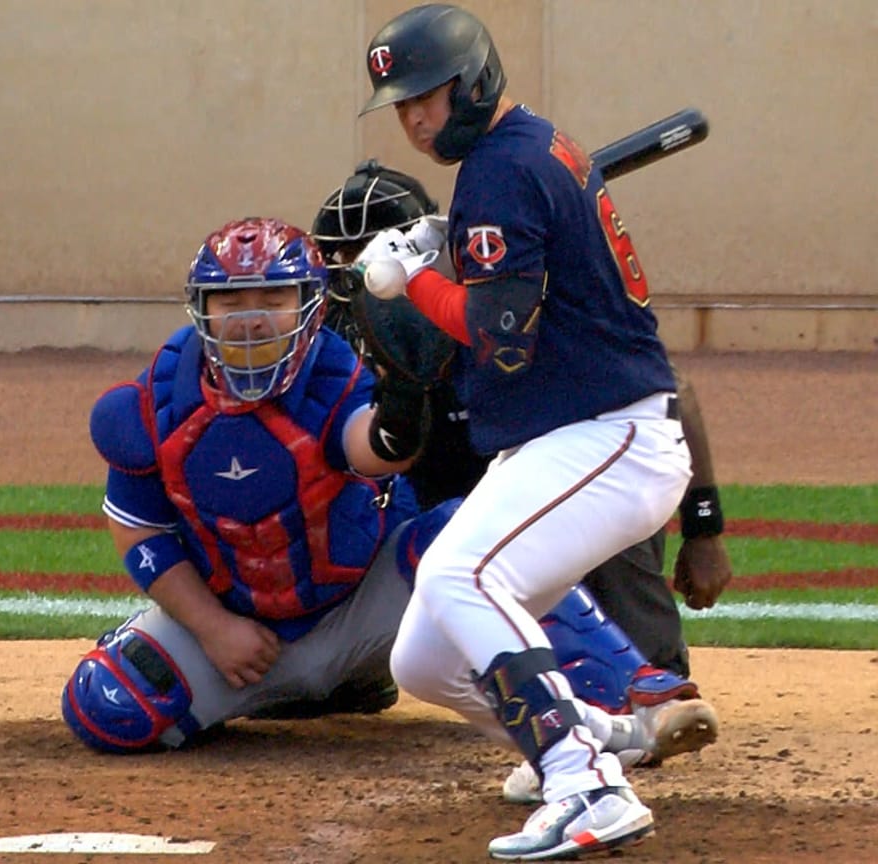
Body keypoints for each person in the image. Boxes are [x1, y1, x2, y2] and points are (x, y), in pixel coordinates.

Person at [58, 216, 710, 782]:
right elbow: (137, 531)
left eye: (273, 296)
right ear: (201, 309)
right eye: (232, 301)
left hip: (368, 605)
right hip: (239, 628)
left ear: (309, 307)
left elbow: (378, 447)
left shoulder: (332, 371)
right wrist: (213, 629)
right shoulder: (153, 404)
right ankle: (293, 691)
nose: (252, 317)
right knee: (104, 706)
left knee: (461, 540)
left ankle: (636, 693)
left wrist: (404, 385)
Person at [353, 4, 703, 858]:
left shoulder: (502, 171)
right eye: (401, 104)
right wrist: (453, 249)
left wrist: (414, 278)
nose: (413, 118)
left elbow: (498, 333)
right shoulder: (527, 149)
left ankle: (582, 780)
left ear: (471, 80)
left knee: (461, 571)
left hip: (611, 435)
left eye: (425, 97)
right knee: (425, 660)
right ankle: (602, 727)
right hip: (572, 437)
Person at [313, 160, 731, 804]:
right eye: (343, 256)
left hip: (584, 492)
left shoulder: (512, 295)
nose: (356, 269)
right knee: (437, 585)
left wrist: (703, 525)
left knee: (557, 527)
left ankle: (644, 687)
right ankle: (594, 730)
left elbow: (673, 391)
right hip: (480, 517)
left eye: (365, 248)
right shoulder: (350, 343)